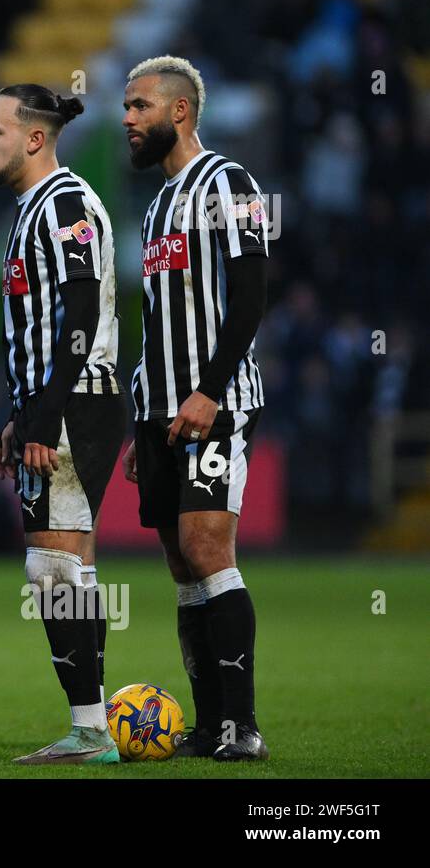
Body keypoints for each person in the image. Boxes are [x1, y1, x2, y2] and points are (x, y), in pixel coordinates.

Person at [121, 55, 271, 761]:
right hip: (159, 413)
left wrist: (209, 390)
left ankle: (243, 726)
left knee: (209, 547)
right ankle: (209, 726)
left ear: (179, 111)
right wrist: (141, 414)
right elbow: (157, 321)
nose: (127, 119)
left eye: (139, 106)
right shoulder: (154, 208)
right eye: (126, 106)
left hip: (217, 404)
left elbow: (250, 294)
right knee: (183, 565)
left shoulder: (228, 183)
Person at [0, 84, 125, 764]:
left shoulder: (64, 203)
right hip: (61, 401)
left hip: (75, 400)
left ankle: (90, 730)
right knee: (73, 569)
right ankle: (92, 725)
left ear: (34, 138)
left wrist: (42, 414)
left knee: (51, 568)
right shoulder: (34, 207)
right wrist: (23, 413)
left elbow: (80, 317)